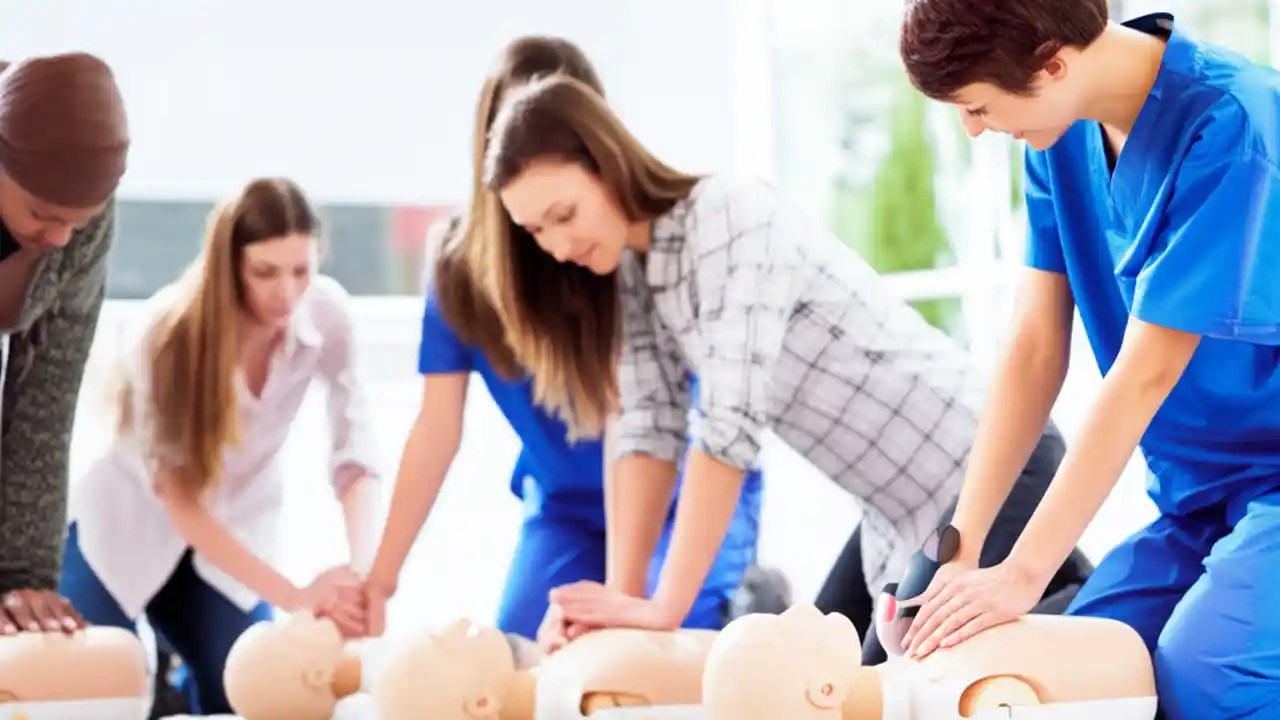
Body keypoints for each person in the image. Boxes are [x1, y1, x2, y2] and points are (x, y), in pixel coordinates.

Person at [471, 72, 1087, 659]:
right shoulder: (634, 274)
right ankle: (1074, 590)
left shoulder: (725, 214)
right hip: (896, 512)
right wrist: (621, 602)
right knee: (809, 676)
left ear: (607, 165)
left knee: (880, 686)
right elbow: (646, 430)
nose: (557, 246)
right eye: (535, 231)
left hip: (988, 462)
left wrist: (663, 608)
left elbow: (729, 427)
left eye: (564, 215)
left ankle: (1093, 604)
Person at [897, 3, 1280, 718]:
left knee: (1206, 671)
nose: (973, 129)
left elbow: (1145, 374)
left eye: (976, 106)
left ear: (1053, 64)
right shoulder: (1056, 134)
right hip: (1199, 498)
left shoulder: (1235, 122)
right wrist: (960, 553)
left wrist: (1023, 574)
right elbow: (1033, 350)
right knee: (1079, 667)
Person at [363, 35, 762, 642]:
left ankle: (750, 599)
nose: (528, 141)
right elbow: (436, 429)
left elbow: (634, 421)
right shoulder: (456, 267)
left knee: (652, 647)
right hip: (564, 508)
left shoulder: (616, 246)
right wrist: (379, 581)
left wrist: (622, 599)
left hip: (679, 496)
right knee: (524, 647)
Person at [58, 178, 382, 714]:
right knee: (102, 686)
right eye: (265, 272)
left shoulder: (327, 315)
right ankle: (164, 675)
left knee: (255, 688)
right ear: (229, 266)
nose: (287, 293)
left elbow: (355, 456)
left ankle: (179, 675)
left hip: (236, 533)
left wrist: (363, 578)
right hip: (126, 527)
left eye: (301, 270)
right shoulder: (164, 334)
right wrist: (298, 598)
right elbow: (180, 500)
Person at [0, 53, 128, 636]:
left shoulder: (83, 230)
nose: (59, 238)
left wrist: (24, 578)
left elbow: (47, 400)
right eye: (43, 214)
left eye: (78, 221)